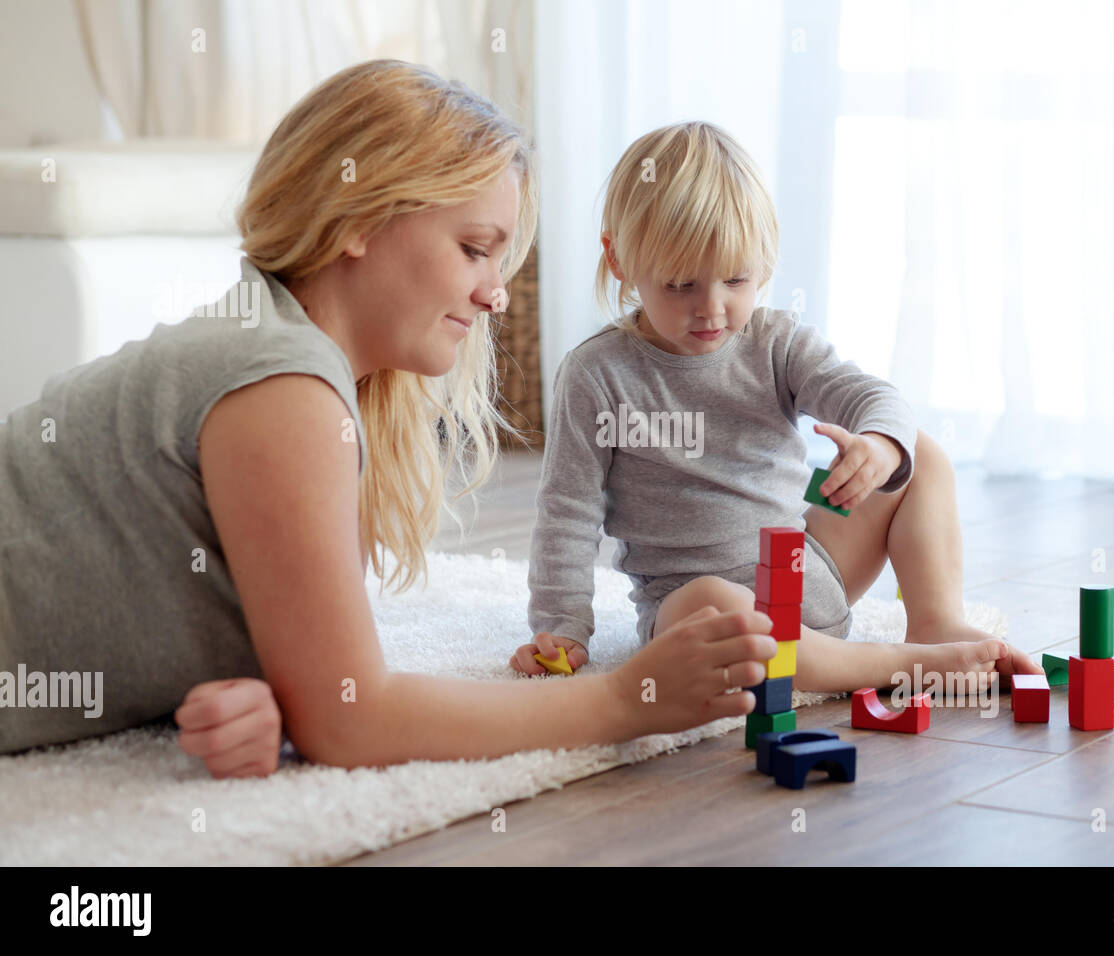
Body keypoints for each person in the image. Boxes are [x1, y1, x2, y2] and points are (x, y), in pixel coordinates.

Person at [0, 61, 777, 776]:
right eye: (476, 249)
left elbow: (308, 679)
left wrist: (273, 692)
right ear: (358, 220)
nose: (497, 293)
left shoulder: (277, 353)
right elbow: (351, 719)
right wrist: (622, 700)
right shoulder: (281, 384)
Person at [512, 121, 1043, 695]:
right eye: (680, 285)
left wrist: (881, 447)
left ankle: (934, 621)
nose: (711, 309)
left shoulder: (777, 343)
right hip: (696, 608)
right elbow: (567, 511)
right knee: (711, 603)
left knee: (920, 450)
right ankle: (894, 664)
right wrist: (563, 628)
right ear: (619, 259)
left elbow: (872, 397)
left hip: (808, 570)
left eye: (735, 279)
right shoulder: (597, 374)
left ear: (763, 263)